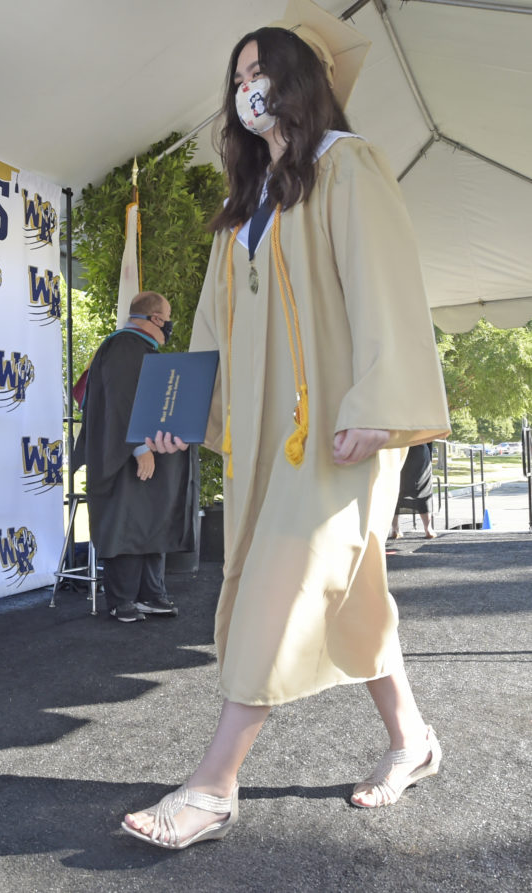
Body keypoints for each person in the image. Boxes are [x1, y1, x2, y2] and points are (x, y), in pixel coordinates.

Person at [121, 9, 451, 850]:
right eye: (236, 79)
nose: (245, 89)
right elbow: (208, 331)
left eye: (258, 71)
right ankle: (412, 739)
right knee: (352, 594)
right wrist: (178, 416)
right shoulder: (246, 207)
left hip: (341, 429)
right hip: (270, 434)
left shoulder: (349, 168)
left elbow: (387, 288)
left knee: (286, 578)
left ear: (302, 81)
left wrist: (377, 405)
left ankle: (214, 784)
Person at [74, 291, 198, 622]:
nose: (170, 324)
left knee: (151, 519)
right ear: (156, 319)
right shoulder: (124, 346)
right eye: (168, 317)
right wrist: (140, 448)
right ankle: (122, 598)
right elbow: (121, 401)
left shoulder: (140, 349)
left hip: (151, 453)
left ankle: (150, 594)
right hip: (123, 453)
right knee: (126, 521)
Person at [390, 443, 437, 538]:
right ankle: (428, 529)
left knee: (394, 488)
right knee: (423, 488)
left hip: (395, 449)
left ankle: (395, 529)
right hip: (418, 448)